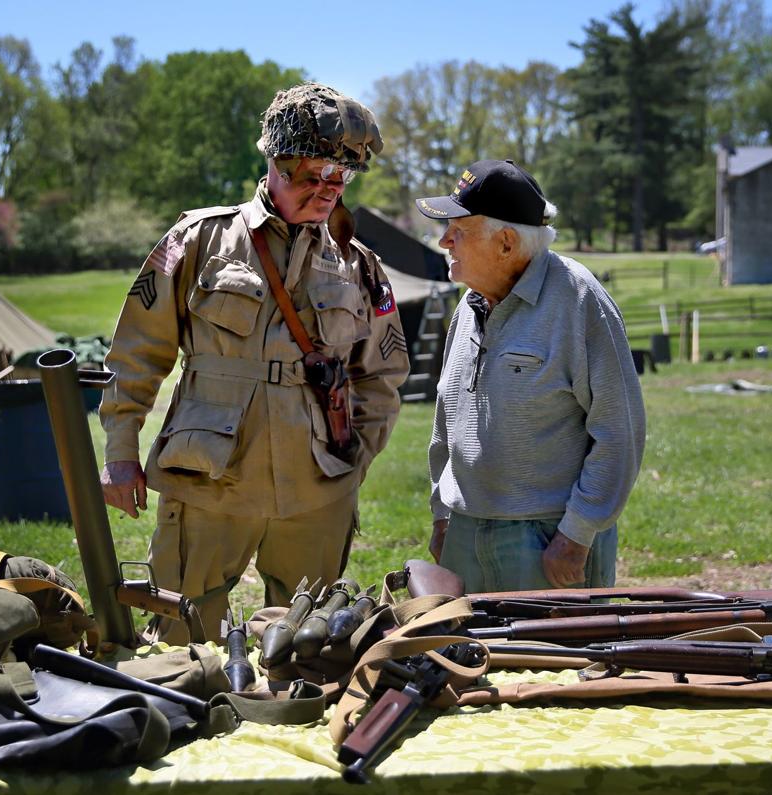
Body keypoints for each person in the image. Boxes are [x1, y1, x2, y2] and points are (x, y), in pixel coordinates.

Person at [99, 83, 410, 644]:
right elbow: (137, 351)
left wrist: (354, 462)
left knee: (308, 648)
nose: (325, 191)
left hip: (318, 486)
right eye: (310, 176)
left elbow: (383, 374)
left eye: (338, 179)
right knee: (180, 639)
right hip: (209, 477)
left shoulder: (359, 265)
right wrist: (122, 452)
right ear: (274, 161)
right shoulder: (199, 240)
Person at [415, 159, 645, 592]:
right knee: (469, 658)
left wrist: (576, 535)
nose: (445, 241)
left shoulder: (579, 301)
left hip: (546, 541)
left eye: (459, 231)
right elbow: (447, 420)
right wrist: (443, 513)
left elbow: (619, 431)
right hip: (465, 535)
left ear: (505, 242)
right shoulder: (468, 306)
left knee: (552, 661)